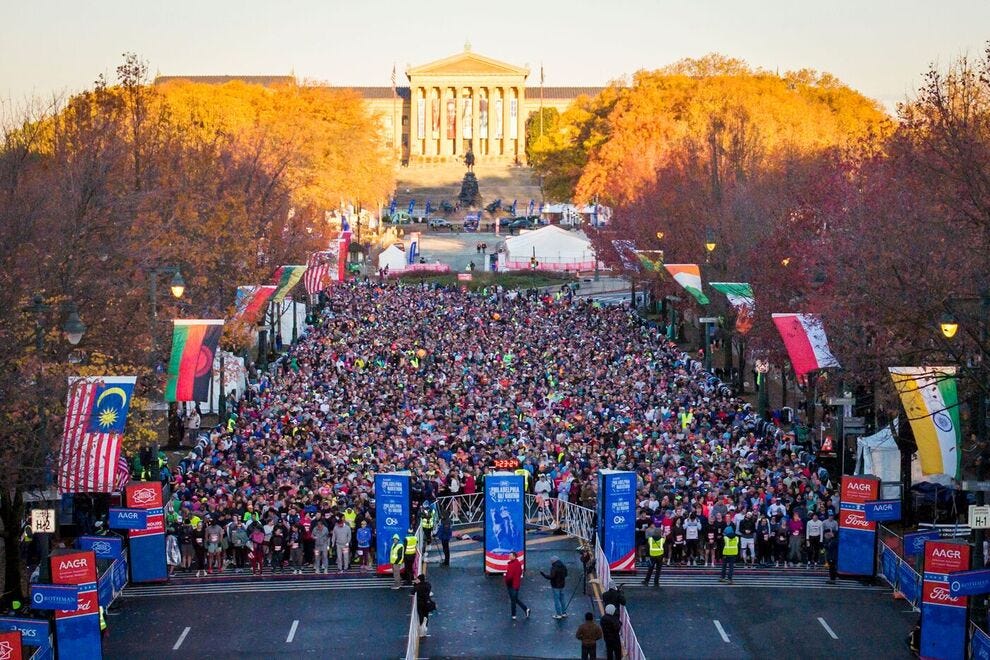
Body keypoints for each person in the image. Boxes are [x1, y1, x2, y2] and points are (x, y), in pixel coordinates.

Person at [540, 555, 568, 619]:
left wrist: (544, 575)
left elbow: (551, 577)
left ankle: (558, 614)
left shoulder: (554, 567)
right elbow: (566, 574)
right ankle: (564, 613)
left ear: (553, 562)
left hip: (555, 585)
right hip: (562, 585)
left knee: (556, 600)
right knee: (562, 599)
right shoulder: (563, 566)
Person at [504, 551, 530, 620]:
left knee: (513, 600)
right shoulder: (518, 564)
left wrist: (506, 578)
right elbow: (519, 573)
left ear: (514, 556)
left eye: (510, 555)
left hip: (511, 584)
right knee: (515, 599)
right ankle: (525, 610)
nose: (509, 556)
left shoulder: (512, 565)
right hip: (516, 584)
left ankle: (514, 615)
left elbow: (509, 576)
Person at [414, 573, 435, 637]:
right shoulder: (428, 585)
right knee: (426, 615)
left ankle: (421, 630)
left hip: (420, 603)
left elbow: (412, 591)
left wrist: (415, 584)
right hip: (427, 603)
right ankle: (425, 628)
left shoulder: (418, 586)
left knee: (421, 615)